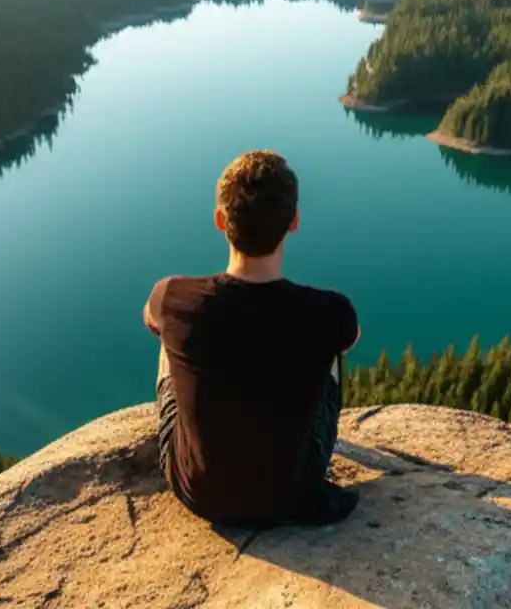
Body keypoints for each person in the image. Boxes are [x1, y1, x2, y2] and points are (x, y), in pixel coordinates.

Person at [143, 150, 361, 527]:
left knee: (169, 335)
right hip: (291, 494)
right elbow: (350, 339)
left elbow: (150, 319)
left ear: (219, 220)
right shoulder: (329, 311)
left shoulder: (174, 296)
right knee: (333, 348)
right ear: (293, 222)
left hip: (198, 490)